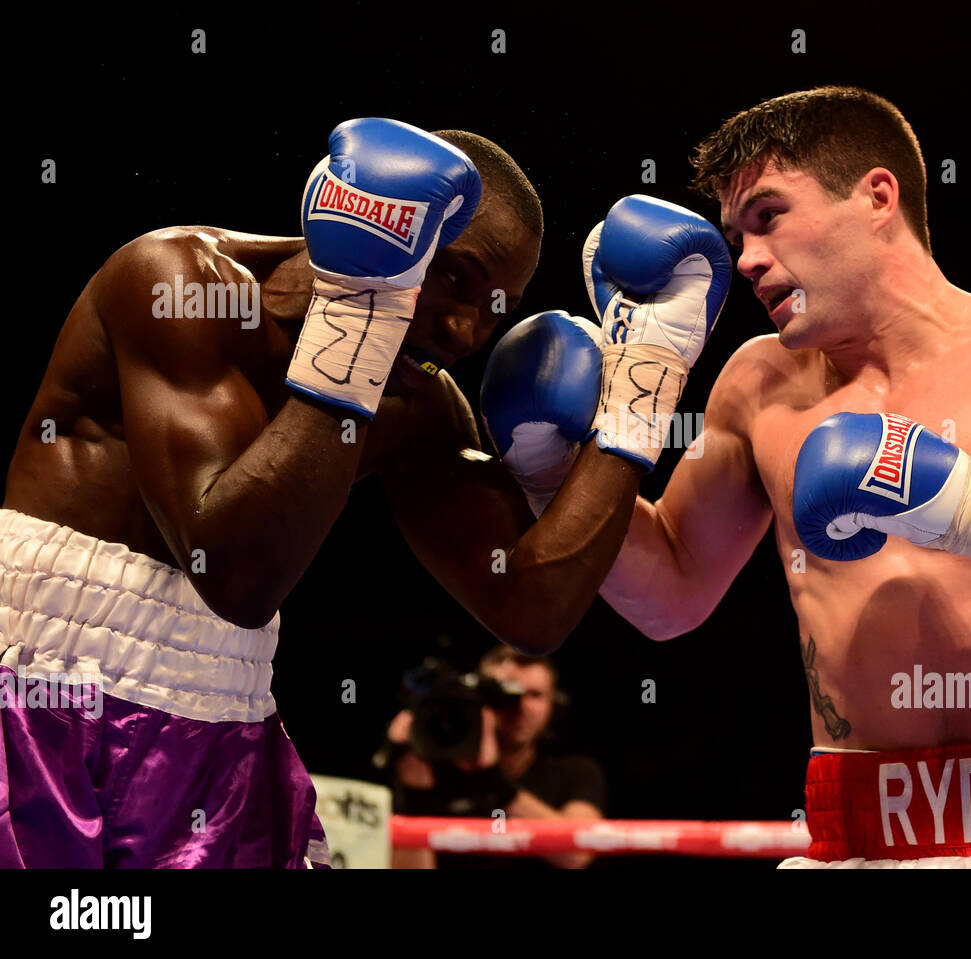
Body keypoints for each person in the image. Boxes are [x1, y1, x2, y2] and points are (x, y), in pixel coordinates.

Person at [517, 87, 971, 867]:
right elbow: (672, 595)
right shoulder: (759, 385)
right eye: (734, 235)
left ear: (877, 196)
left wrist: (961, 501)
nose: (746, 258)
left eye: (768, 216)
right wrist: (555, 465)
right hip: (857, 840)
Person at [0, 118, 727, 868]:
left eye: (495, 307)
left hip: (218, 715)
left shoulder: (418, 404)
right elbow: (234, 572)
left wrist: (644, 387)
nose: (464, 327)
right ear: (378, 229)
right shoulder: (181, 284)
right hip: (37, 694)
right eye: (456, 277)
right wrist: (360, 320)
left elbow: (531, 605)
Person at [387, 644, 605, 869]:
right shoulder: (433, 771)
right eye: (507, 693)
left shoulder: (576, 772)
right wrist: (416, 797)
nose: (520, 706)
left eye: (535, 695)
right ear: (477, 698)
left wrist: (491, 779)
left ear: (554, 705)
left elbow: (579, 853)